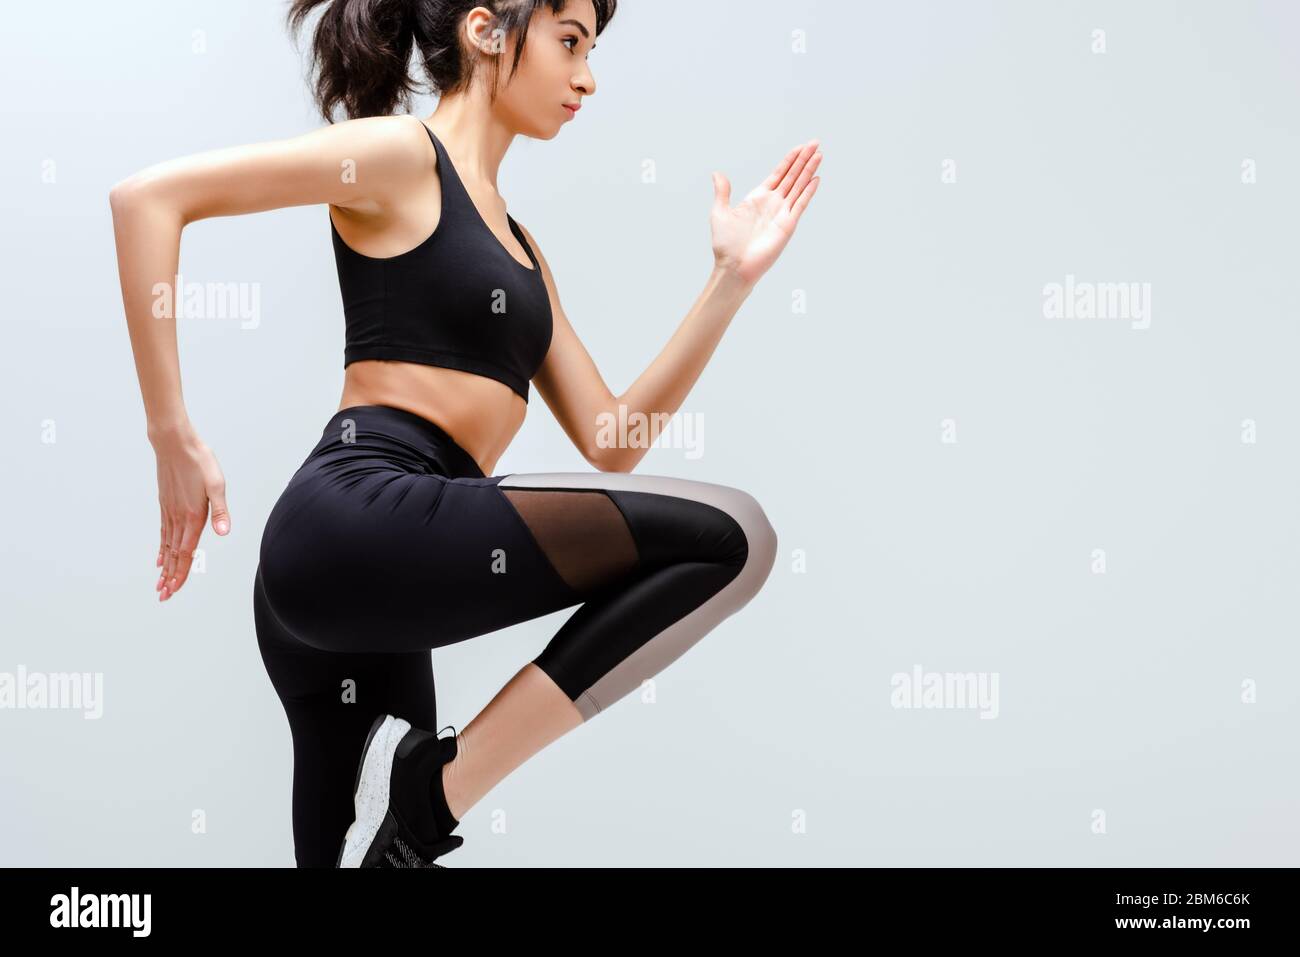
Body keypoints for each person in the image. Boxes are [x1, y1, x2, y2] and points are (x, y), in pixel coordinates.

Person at [110, 0, 821, 868]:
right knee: (733, 535)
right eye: (569, 43)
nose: (587, 76)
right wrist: (170, 433)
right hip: (355, 513)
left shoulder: (523, 251)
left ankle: (419, 799)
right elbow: (149, 200)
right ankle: (435, 789)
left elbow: (613, 436)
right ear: (487, 31)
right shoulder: (404, 156)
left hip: (378, 582)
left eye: (591, 50)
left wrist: (728, 282)